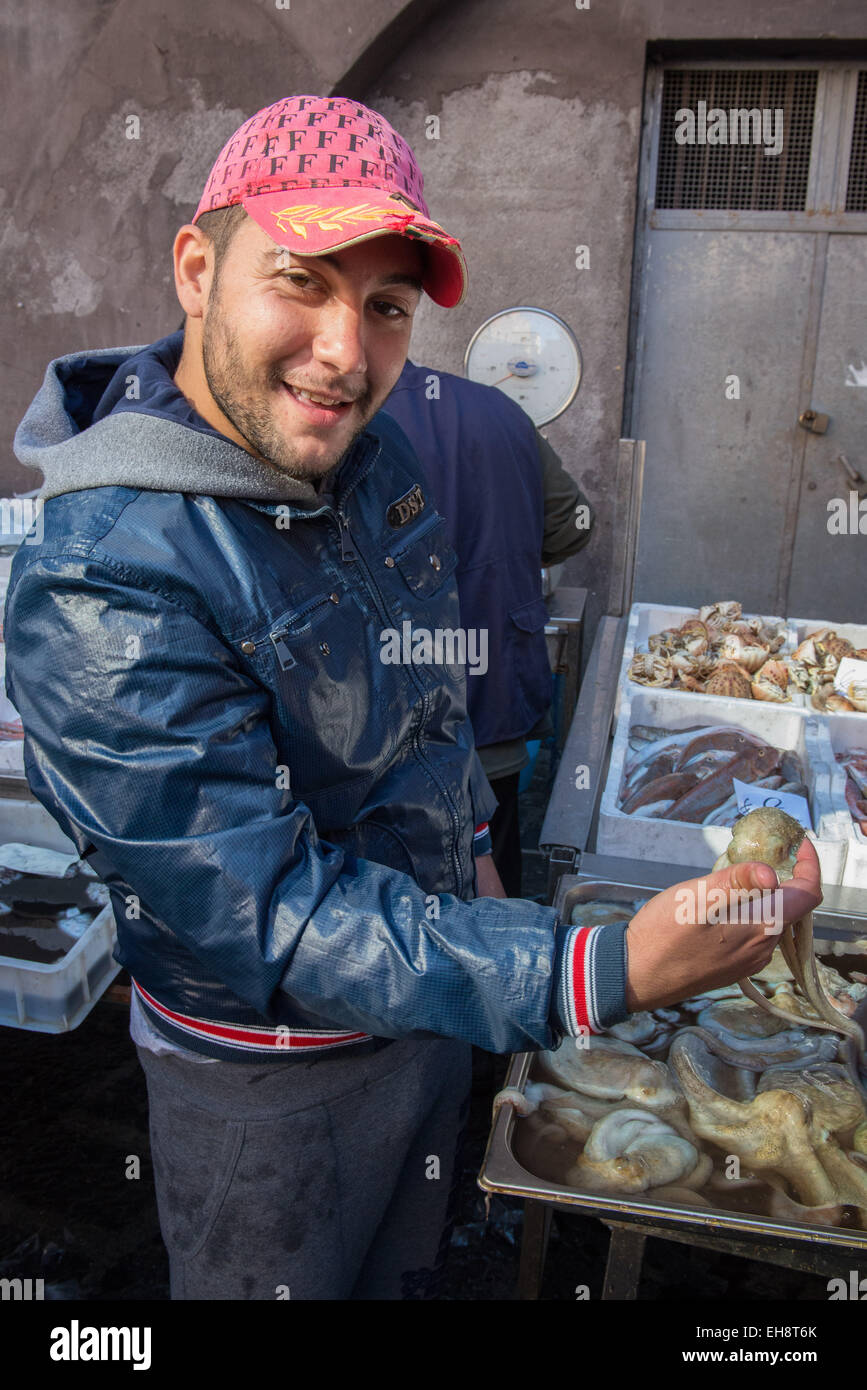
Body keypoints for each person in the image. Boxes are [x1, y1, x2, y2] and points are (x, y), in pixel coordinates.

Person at [4, 94, 821, 1300]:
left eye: (384, 305)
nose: (347, 350)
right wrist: (587, 970)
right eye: (302, 281)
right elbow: (264, 915)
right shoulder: (105, 575)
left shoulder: (364, 453)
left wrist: (478, 850)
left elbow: (426, 690)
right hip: (271, 1079)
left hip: (438, 996)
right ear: (195, 267)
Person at [382, 362, 594, 896]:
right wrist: (506, 554)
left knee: (388, 899)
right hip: (491, 692)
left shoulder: (335, 418)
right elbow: (572, 523)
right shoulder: (499, 409)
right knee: (495, 875)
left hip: (382, 721)